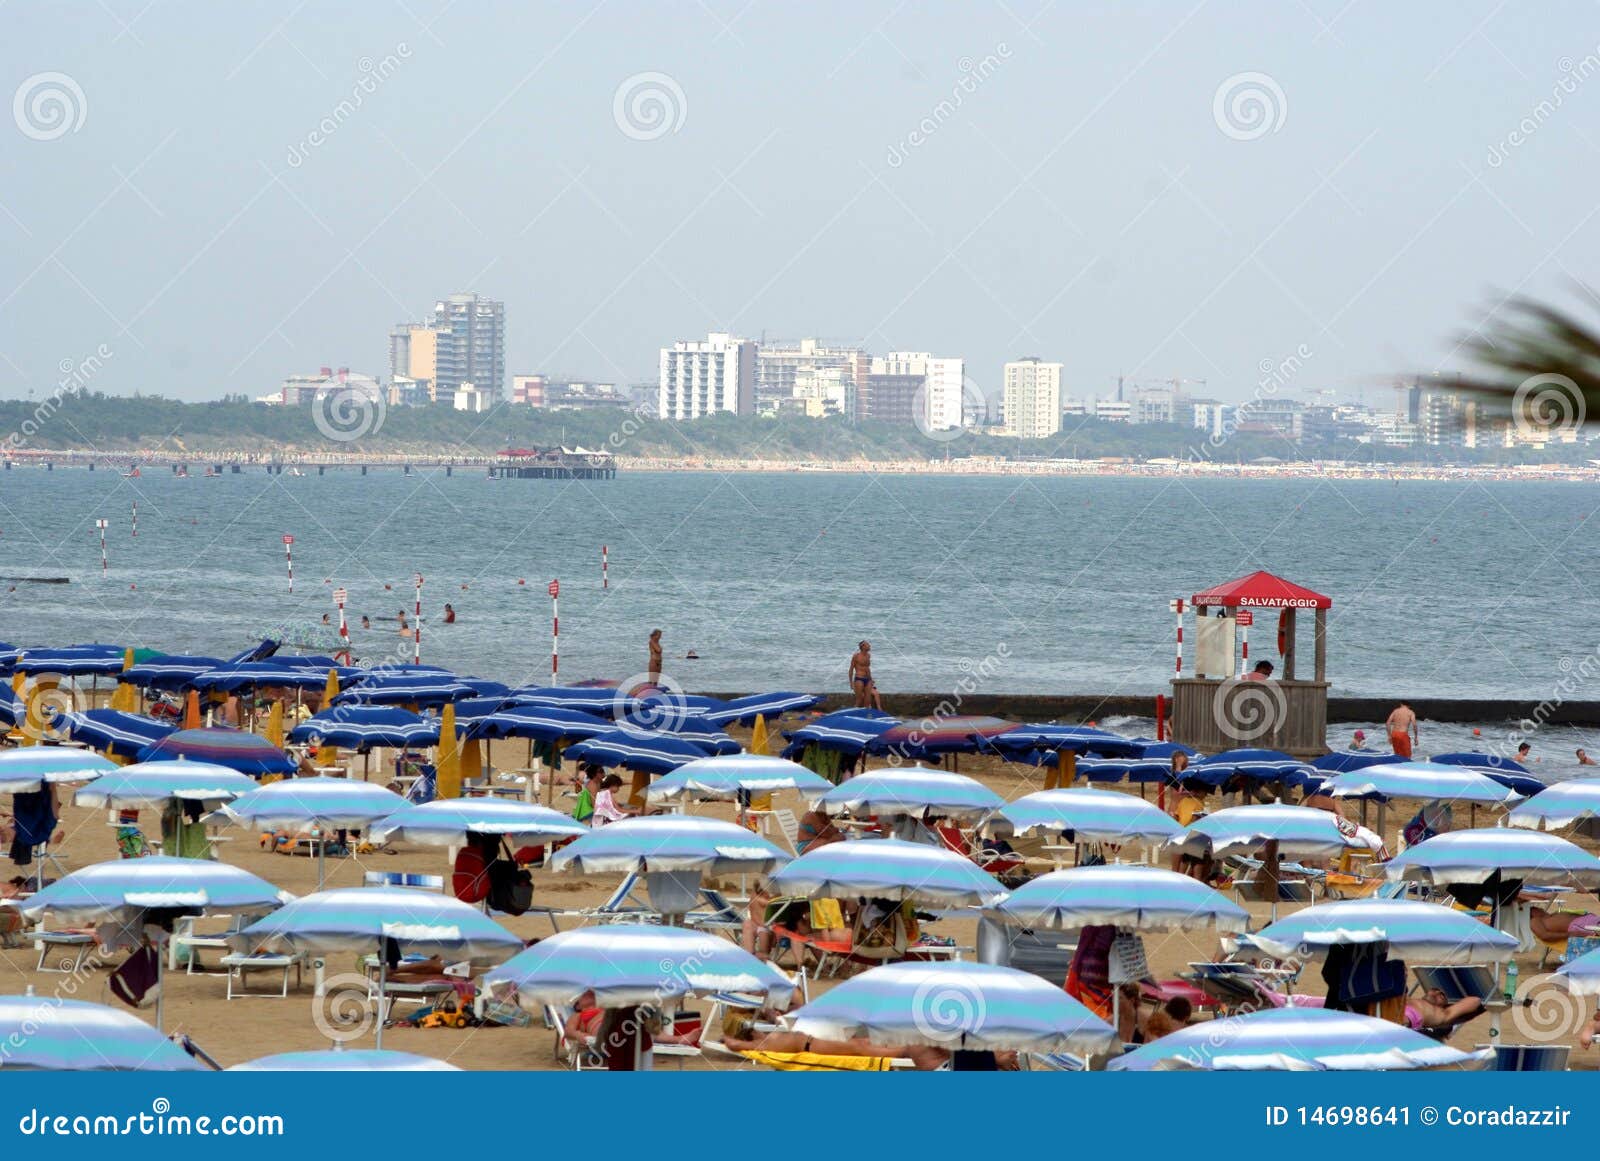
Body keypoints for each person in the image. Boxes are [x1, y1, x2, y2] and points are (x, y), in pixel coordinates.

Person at [1405, 987, 1483, 1036]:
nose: (1437, 992)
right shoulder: (1408, 998)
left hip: (1403, 1022)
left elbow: (1476, 1000)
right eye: (1434, 990)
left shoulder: (1442, 1014)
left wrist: (1453, 1007)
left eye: (1442, 995)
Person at [849, 640, 882, 710]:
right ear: (863, 646)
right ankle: (853, 714)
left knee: (868, 701)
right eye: (868, 644)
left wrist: (870, 679)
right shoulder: (856, 656)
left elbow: (867, 668)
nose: (869, 646)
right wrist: (851, 683)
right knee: (859, 700)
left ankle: (866, 716)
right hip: (859, 678)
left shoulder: (868, 655)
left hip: (867, 679)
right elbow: (851, 669)